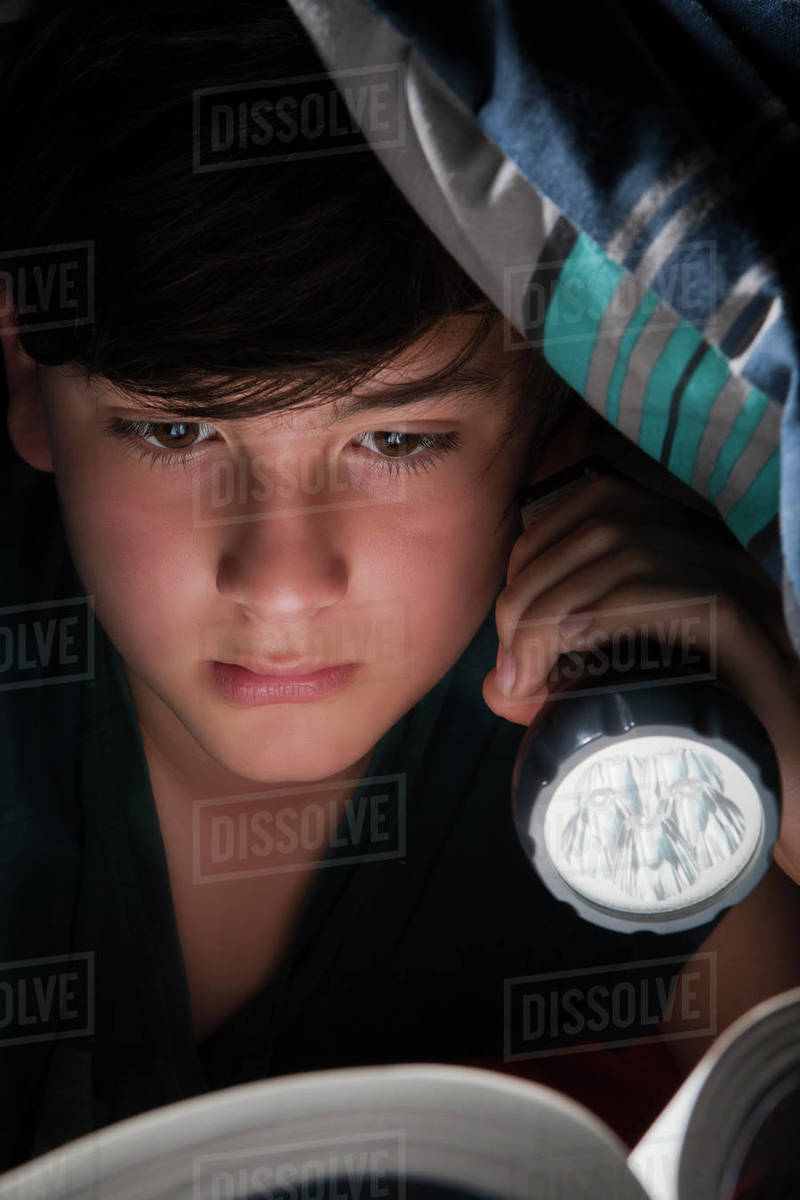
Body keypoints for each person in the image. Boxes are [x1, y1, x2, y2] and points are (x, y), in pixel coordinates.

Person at [2, 0, 800, 1178]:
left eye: (396, 442)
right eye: (173, 430)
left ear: (547, 418)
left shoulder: (642, 763)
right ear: (24, 375)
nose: (279, 585)